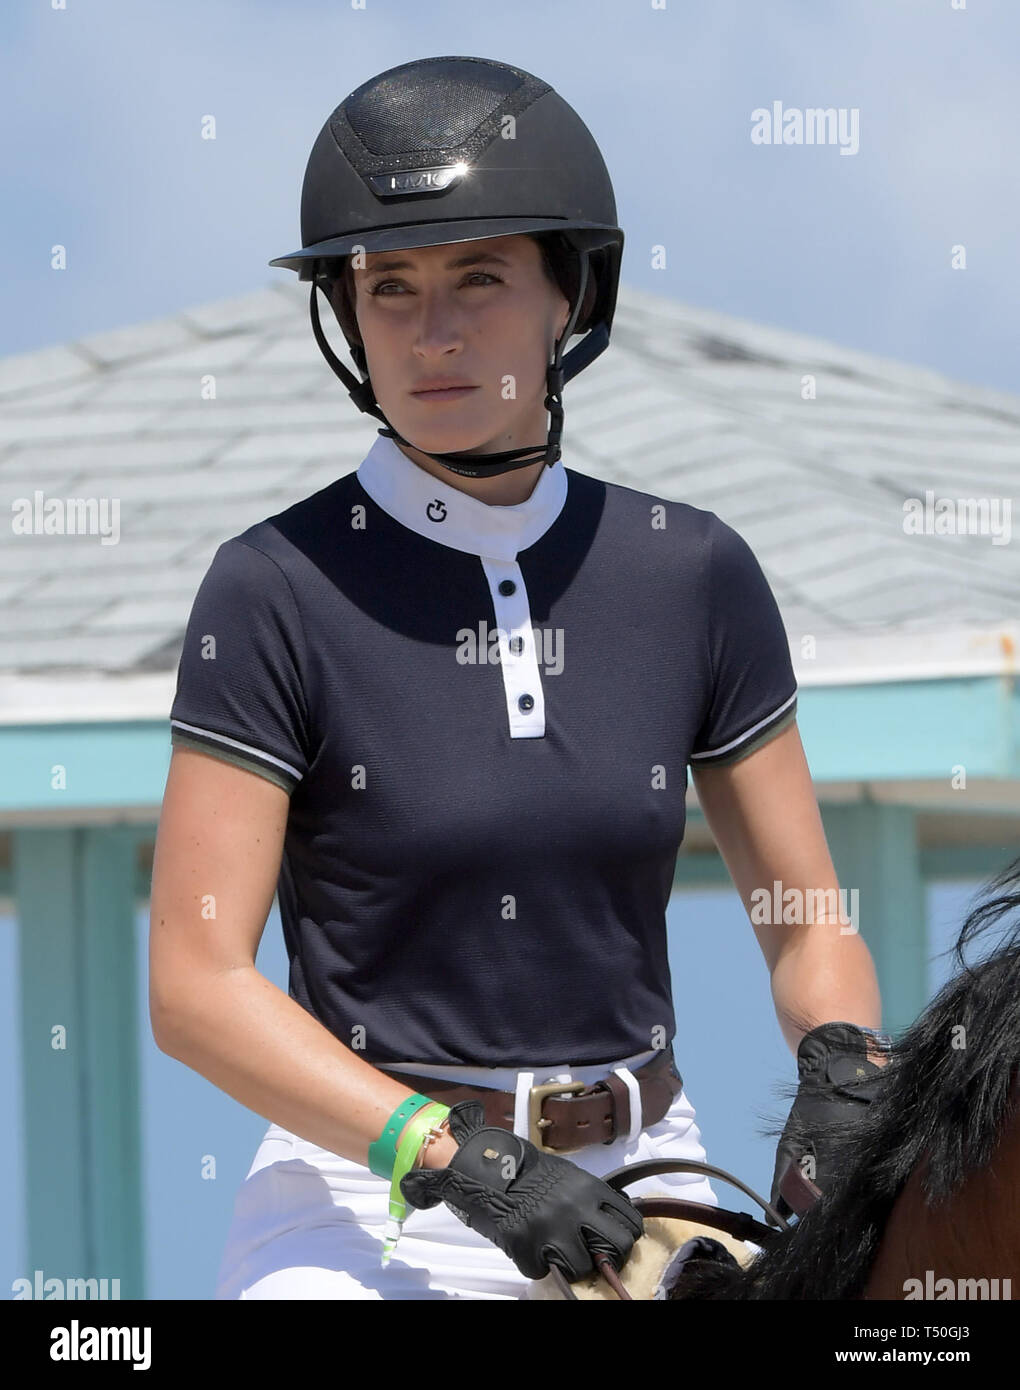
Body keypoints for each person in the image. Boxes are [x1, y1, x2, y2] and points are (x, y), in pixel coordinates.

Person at [149, 54, 894, 1302]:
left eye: (479, 280)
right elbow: (195, 986)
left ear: (570, 297)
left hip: (650, 1178)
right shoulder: (270, 588)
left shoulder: (693, 571)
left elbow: (803, 912)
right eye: (389, 289)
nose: (431, 333)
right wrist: (460, 1161)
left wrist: (840, 1055)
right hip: (366, 1208)